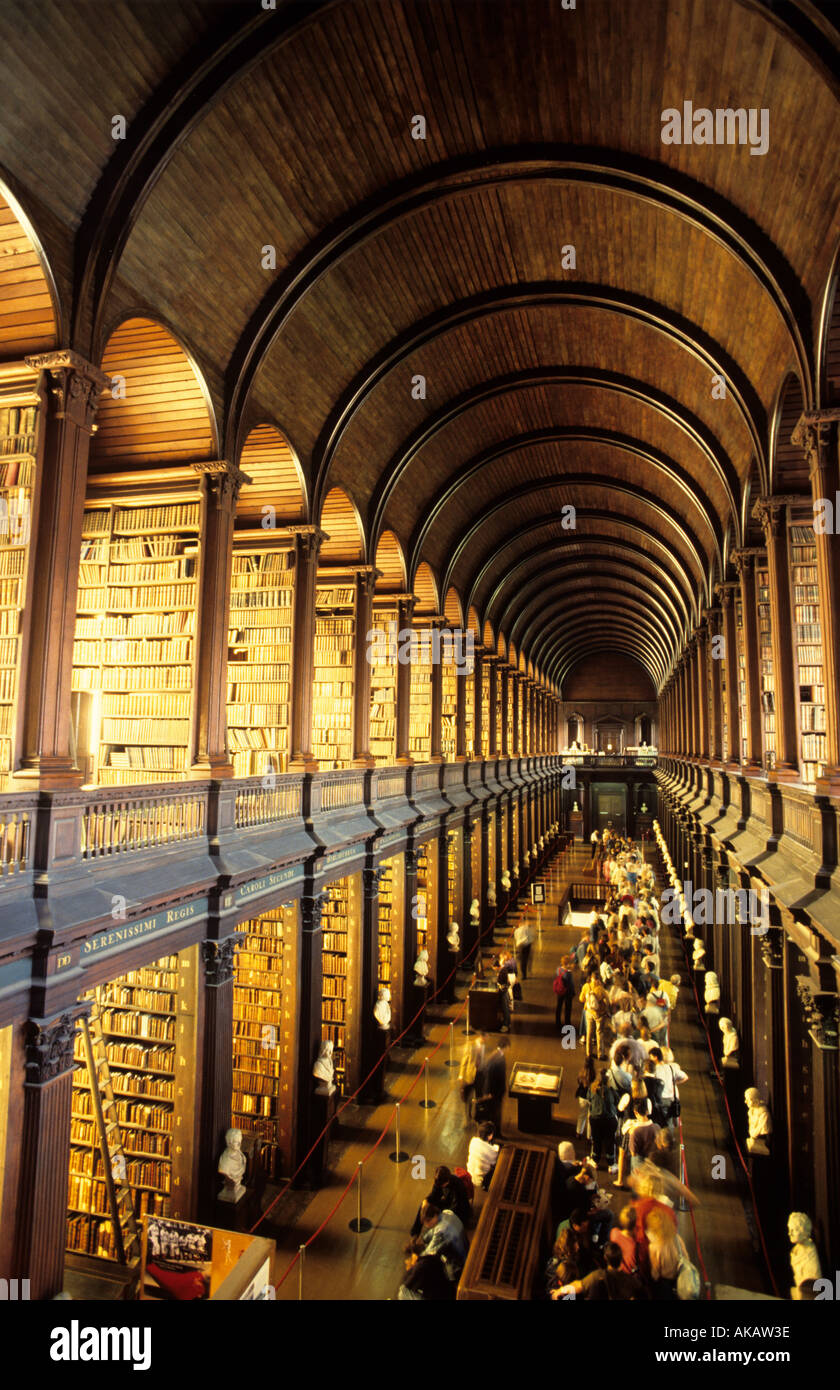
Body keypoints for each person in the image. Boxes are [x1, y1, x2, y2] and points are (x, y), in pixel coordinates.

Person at [551, 1241, 643, 1300]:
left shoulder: (596, 1276)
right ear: (621, 1259)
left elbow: (577, 1286)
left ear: (605, 1258)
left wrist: (560, 1291)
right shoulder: (632, 1282)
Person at [418, 1202, 469, 1282]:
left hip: (459, 1262)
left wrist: (418, 1258)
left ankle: (452, 1284)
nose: (426, 1225)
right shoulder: (446, 1213)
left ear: (435, 1216)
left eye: (428, 1222)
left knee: (435, 1271)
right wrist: (424, 1239)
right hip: (466, 1248)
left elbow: (431, 1251)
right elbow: (433, 1231)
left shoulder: (441, 1230)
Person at [587, 1066, 619, 1167]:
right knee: (610, 1141)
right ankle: (611, 1163)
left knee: (596, 1140)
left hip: (595, 1119)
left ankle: (595, 1160)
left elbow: (589, 1099)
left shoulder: (592, 1089)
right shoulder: (611, 1090)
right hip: (609, 1120)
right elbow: (617, 1101)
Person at [649, 1047, 688, 1126]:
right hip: (670, 1100)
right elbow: (685, 1077)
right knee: (668, 1123)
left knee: (658, 1123)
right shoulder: (671, 1068)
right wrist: (674, 1082)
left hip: (659, 1100)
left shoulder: (655, 1069)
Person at [479, 1036, 510, 1136]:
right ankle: (496, 1133)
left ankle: (495, 1132)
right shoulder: (498, 1059)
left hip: (494, 1091)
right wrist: (488, 1092)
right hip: (495, 1092)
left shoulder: (494, 1055)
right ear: (506, 1046)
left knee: (494, 1113)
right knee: (496, 1114)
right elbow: (489, 1075)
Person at [457, 1032, 486, 1124]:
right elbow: (464, 1060)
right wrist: (461, 1075)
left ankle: (477, 1116)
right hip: (470, 1074)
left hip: (479, 1074)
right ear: (481, 1036)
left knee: (478, 1096)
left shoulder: (483, 1046)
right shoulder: (470, 1045)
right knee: (468, 1097)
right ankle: (468, 1116)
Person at [467, 1121, 500, 1191]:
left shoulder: (473, 1141)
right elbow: (494, 1162)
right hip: (481, 1178)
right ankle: (487, 1186)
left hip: (470, 1173)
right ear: (490, 1136)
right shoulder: (492, 1150)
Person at [553, 958, 575, 1029]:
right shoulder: (568, 973)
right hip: (567, 992)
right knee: (568, 1008)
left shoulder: (558, 969)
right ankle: (567, 1023)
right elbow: (571, 984)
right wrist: (573, 992)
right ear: (567, 964)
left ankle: (557, 1021)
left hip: (560, 990)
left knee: (559, 1006)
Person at [514, 916, 535, 980]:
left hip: (520, 945)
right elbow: (532, 936)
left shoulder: (517, 930)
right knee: (527, 959)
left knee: (522, 960)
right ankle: (527, 971)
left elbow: (516, 937)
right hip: (527, 945)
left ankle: (523, 973)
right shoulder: (528, 928)